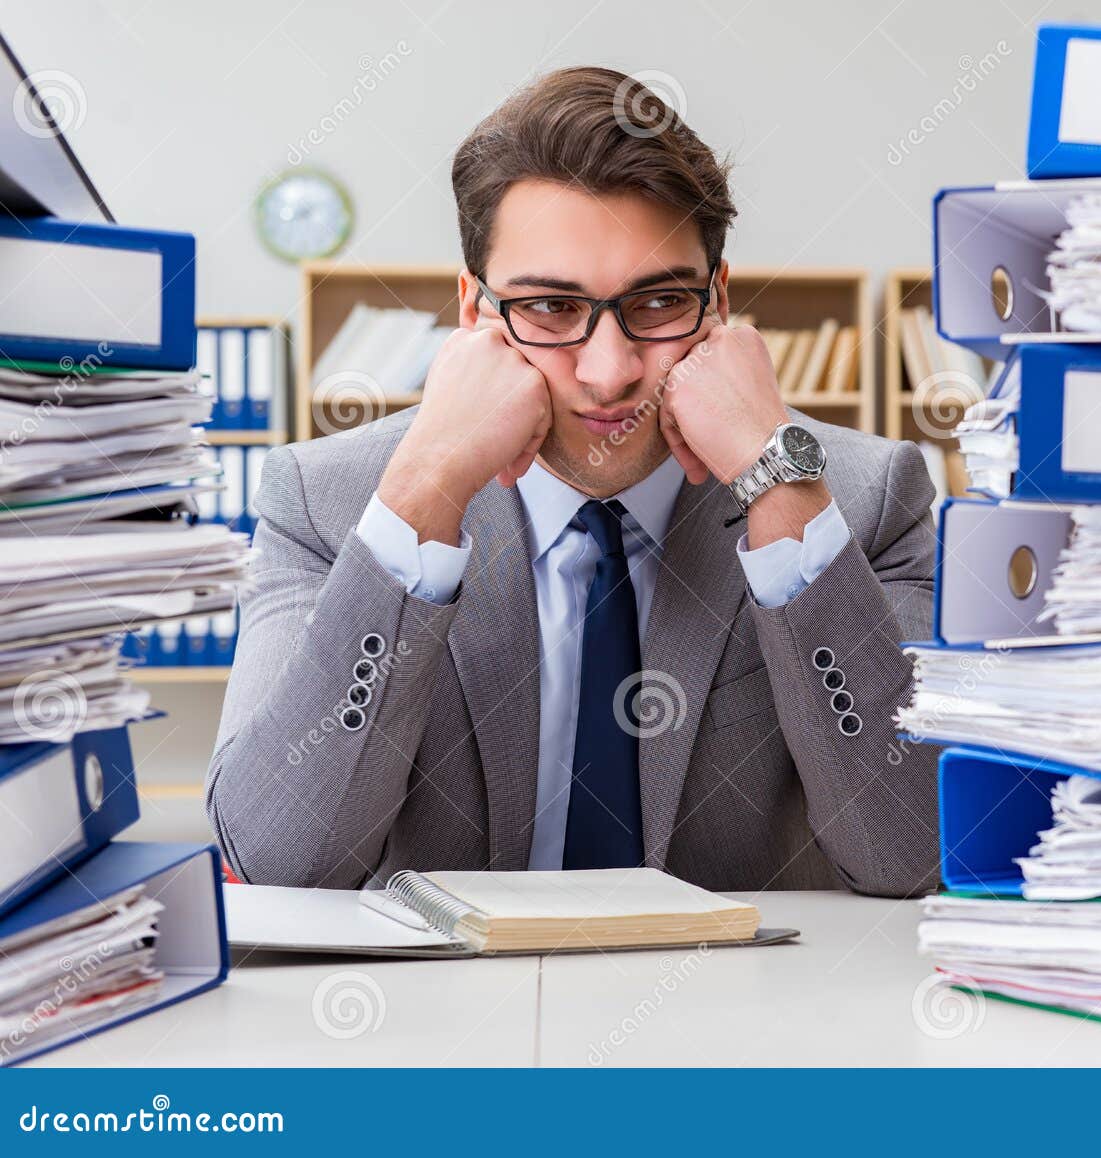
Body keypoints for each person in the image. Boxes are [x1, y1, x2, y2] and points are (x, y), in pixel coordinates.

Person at [206, 66, 941, 898]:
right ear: (474, 314)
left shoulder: (868, 499)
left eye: (660, 302)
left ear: (718, 303)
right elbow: (279, 861)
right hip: (436, 1022)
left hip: (738, 1014)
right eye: (551, 308)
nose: (608, 371)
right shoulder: (326, 501)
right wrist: (426, 486)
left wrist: (777, 481)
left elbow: (911, 852)